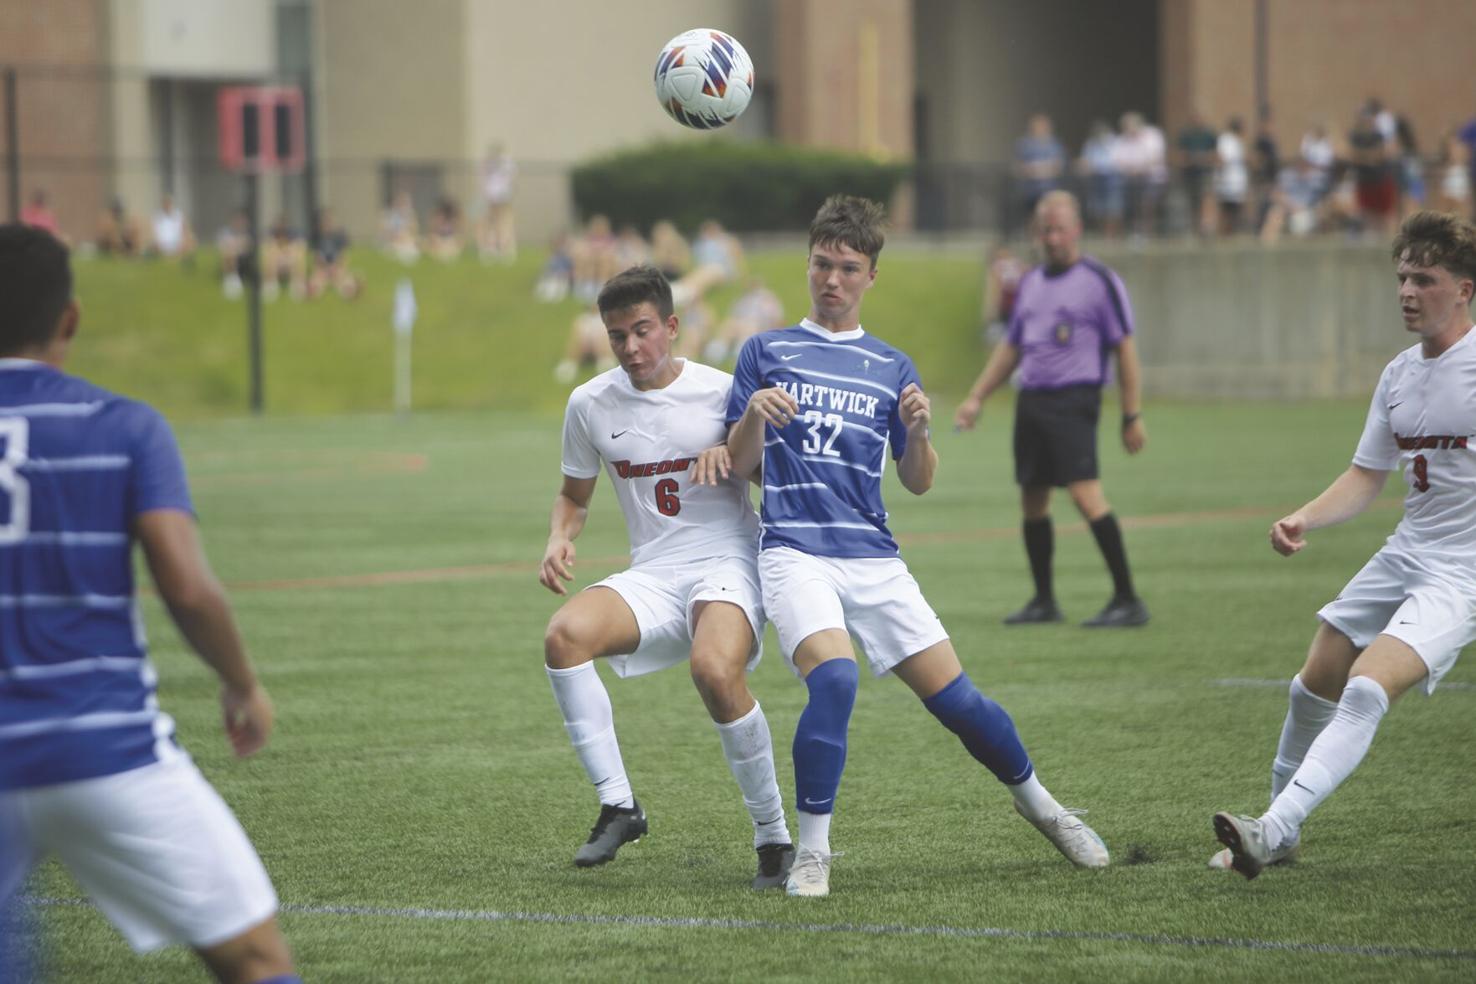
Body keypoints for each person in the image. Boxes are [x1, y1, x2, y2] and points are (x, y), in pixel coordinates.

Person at [717, 195, 1108, 899]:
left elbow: (918, 480)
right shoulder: (765, 351)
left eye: (848, 268)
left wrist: (920, 433)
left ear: (871, 276)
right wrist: (751, 415)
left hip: (874, 558)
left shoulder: (891, 366)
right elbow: (740, 466)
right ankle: (813, 853)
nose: (832, 279)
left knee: (961, 703)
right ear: (808, 264)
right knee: (835, 680)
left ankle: (1045, 809)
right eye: (822, 264)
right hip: (796, 552)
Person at [0, 224, 299, 982]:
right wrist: (242, 683)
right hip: (105, 747)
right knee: (257, 959)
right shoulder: (125, 426)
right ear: (70, 318)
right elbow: (187, 586)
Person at [1211, 210, 1476, 879]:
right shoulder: (1398, 375)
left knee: (1365, 688)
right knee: (1315, 682)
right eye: (1402, 278)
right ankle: (1279, 836)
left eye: (1425, 279)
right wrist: (1304, 517)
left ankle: (1273, 828)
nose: (1407, 292)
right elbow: (1366, 475)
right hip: (1407, 552)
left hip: (1462, 574)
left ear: (1464, 289)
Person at [539, 265, 795, 888]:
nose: (630, 347)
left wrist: (735, 450)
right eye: (617, 335)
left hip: (727, 559)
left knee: (714, 670)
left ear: (672, 326)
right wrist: (560, 537)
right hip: (653, 571)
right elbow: (574, 496)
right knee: (564, 637)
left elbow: (776, 480)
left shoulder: (722, 390)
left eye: (643, 330)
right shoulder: (589, 403)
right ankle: (619, 806)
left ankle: (773, 837)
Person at [954, 191, 1148, 628]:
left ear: (1076, 229)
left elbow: (1124, 348)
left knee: (1085, 495)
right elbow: (1012, 347)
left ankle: (1127, 598)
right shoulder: (1030, 282)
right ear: (1035, 232)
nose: (1053, 238)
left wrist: (1131, 414)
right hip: (1033, 399)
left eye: (1060, 229)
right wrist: (976, 397)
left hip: (1074, 399)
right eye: (1045, 230)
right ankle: (1044, 600)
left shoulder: (1099, 280)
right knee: (1033, 498)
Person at [477, 143, 517, 262]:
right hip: (492, 195)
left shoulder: (506, 161)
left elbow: (511, 178)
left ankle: (505, 247)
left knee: (504, 221)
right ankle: (491, 246)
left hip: (502, 195)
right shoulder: (488, 162)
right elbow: (483, 177)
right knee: (491, 221)